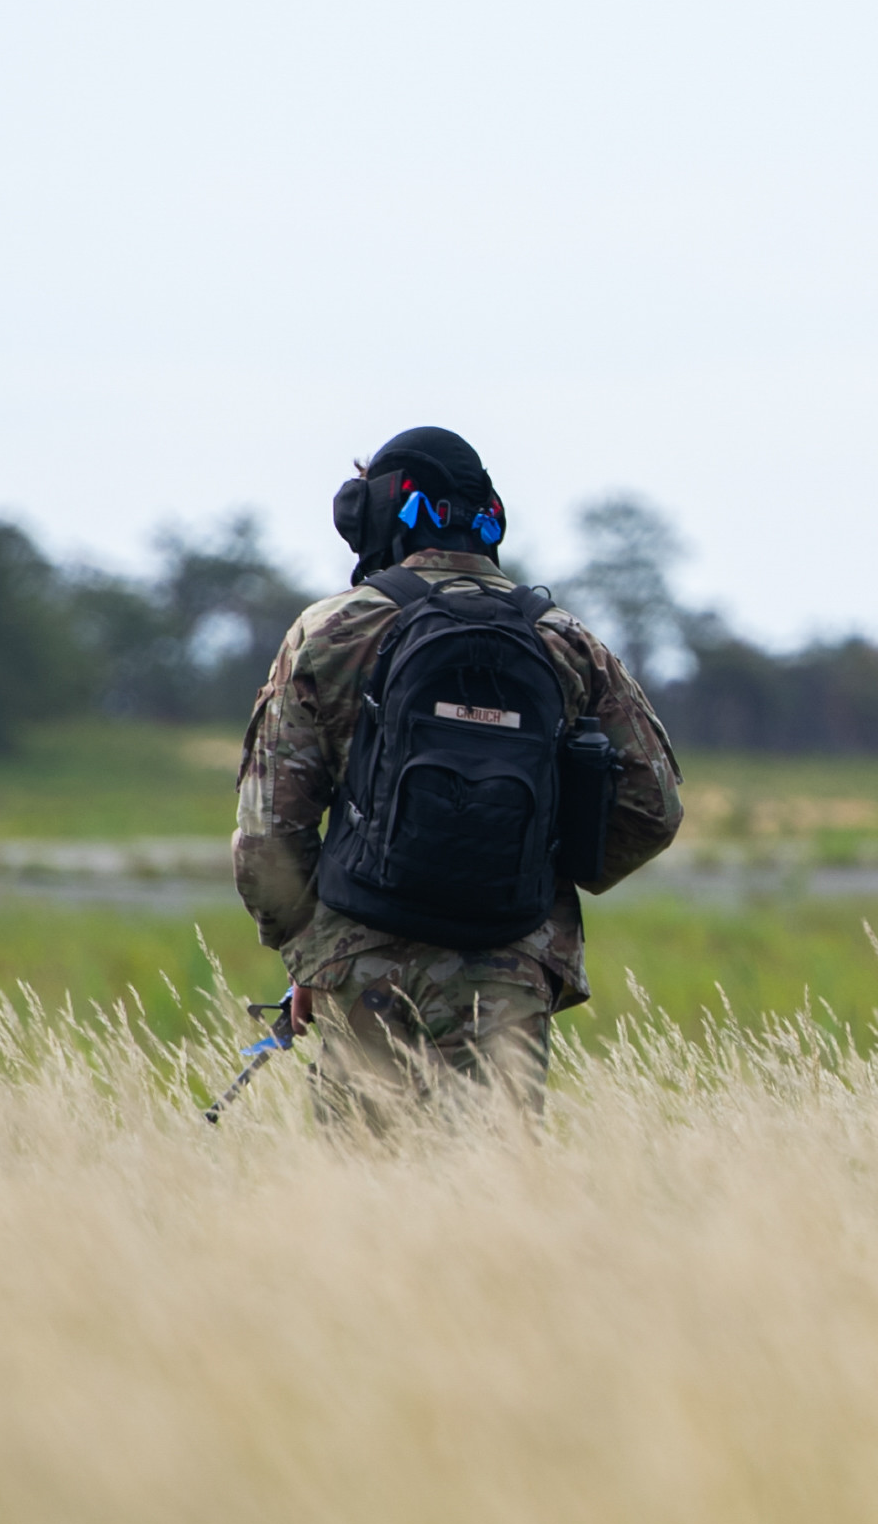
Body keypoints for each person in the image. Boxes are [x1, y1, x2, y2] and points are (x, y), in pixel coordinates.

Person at [232, 425, 685, 1123]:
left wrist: (314, 956)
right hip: (510, 972)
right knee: (487, 1206)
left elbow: (269, 839)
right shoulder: (564, 639)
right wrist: (536, 877)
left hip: (361, 965)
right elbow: (651, 808)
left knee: (359, 1203)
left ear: (377, 513)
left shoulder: (329, 633)